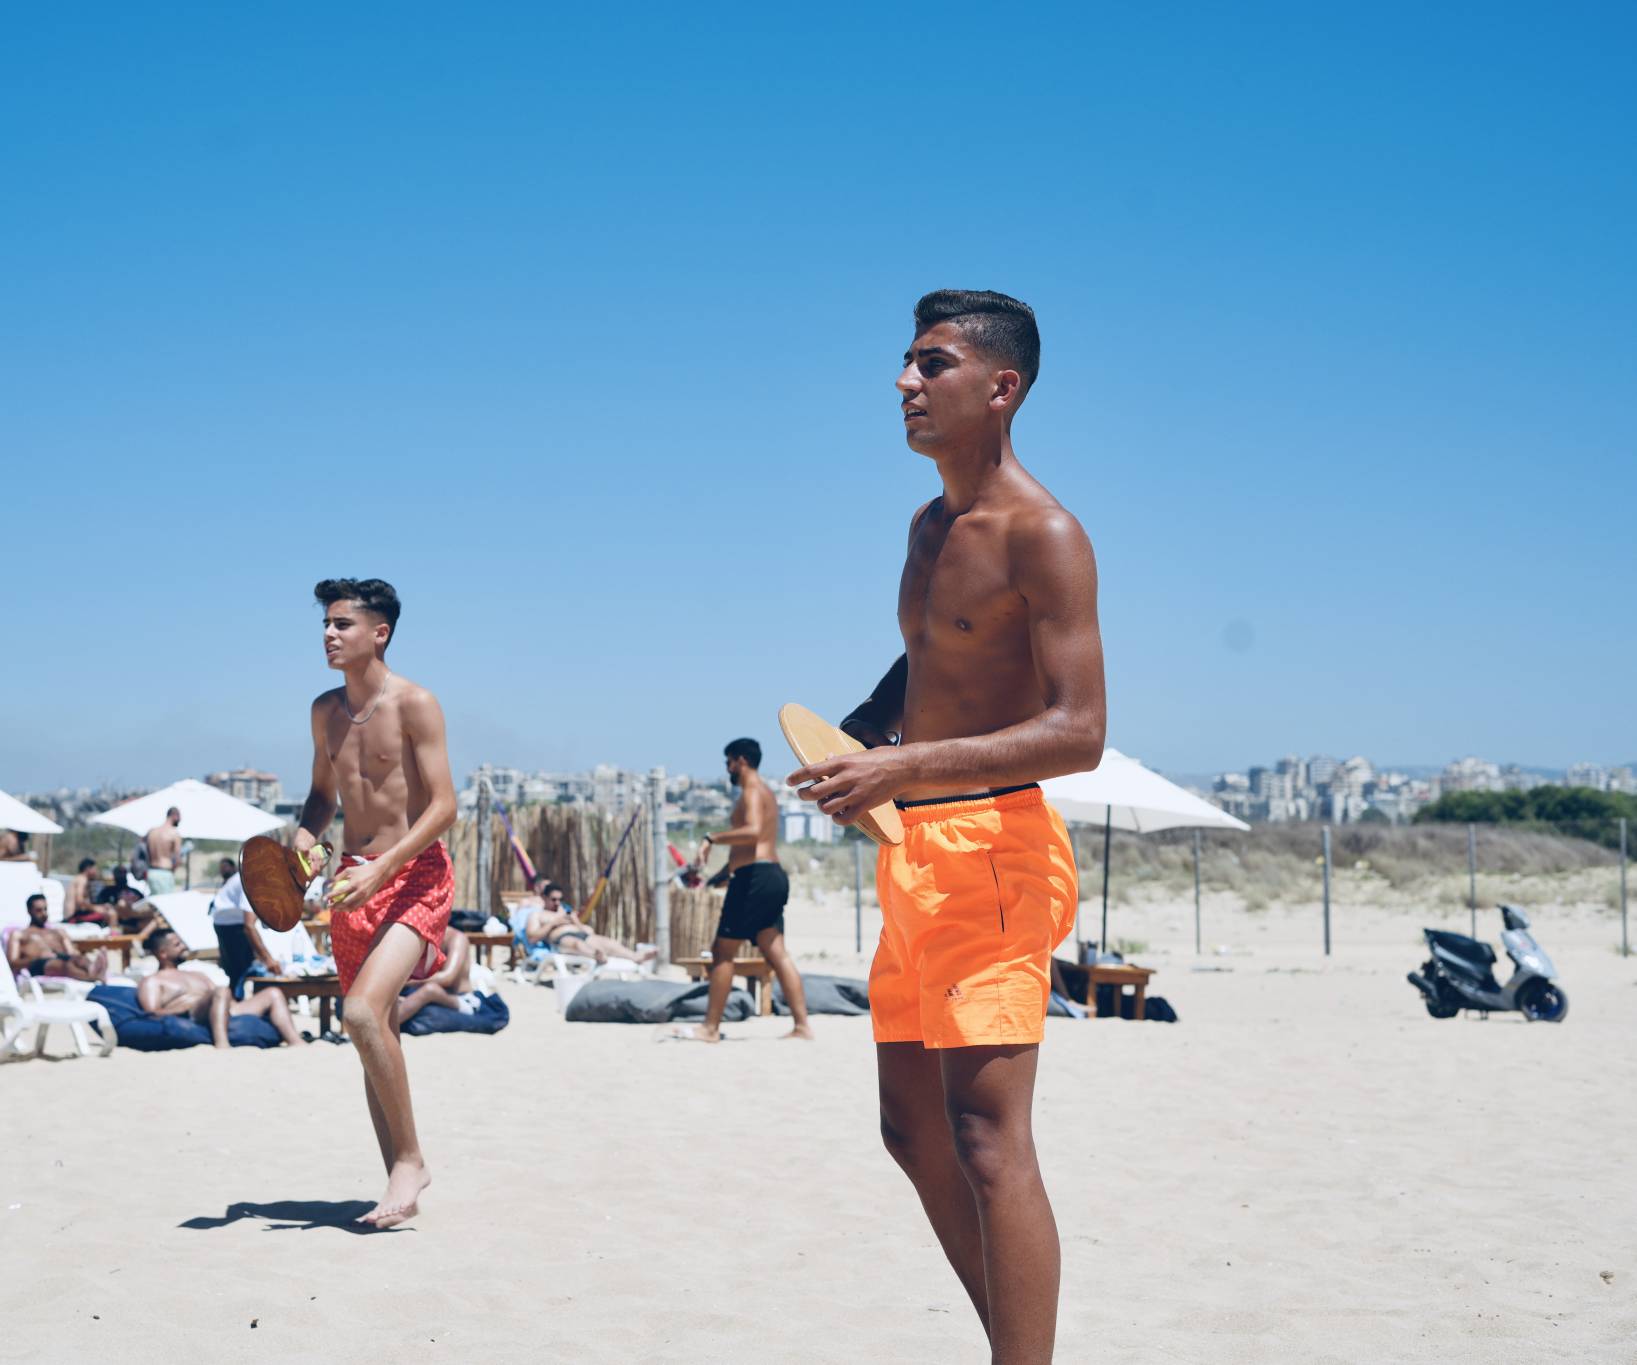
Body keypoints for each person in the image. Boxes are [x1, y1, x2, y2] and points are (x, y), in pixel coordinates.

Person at [787, 290, 1105, 1364]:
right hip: (912, 853)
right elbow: (929, 659)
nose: (903, 383)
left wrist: (908, 764)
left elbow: (1079, 731)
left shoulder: (1044, 533)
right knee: (911, 1131)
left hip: (997, 849)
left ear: (999, 387)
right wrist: (867, 737)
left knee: (985, 1137)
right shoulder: (927, 527)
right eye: (906, 363)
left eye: (931, 364)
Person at [293, 577, 456, 1228]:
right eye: (326, 624)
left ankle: (411, 1158)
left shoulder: (416, 703)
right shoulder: (323, 710)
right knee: (372, 1032)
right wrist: (304, 844)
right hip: (350, 881)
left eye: (343, 624)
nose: (329, 634)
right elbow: (320, 798)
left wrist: (384, 865)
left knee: (360, 1012)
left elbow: (444, 805)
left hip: (413, 874)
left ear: (379, 632)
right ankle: (399, 1179)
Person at [676, 737, 812, 1042]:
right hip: (770, 875)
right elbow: (757, 840)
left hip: (755, 879)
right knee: (776, 953)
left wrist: (710, 838)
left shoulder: (751, 789)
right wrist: (724, 873)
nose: (727, 768)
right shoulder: (766, 792)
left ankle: (710, 1028)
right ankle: (802, 1025)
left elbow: (751, 833)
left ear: (741, 760)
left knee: (722, 951)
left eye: (728, 762)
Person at [136, 928, 307, 1047]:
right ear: (162, 953)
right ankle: (222, 1043)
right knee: (221, 991)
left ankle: (295, 1041)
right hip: (195, 1013)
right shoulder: (153, 981)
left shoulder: (197, 974)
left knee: (273, 993)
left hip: (227, 1009)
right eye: (176, 944)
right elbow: (151, 1012)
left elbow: (223, 997)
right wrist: (181, 1008)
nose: (183, 946)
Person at [524, 880, 656, 964]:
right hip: (561, 939)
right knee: (578, 944)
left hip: (582, 935)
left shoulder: (565, 911)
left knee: (609, 942)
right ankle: (596, 955)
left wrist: (576, 922)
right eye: (553, 899)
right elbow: (531, 938)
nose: (557, 903)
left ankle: (635, 957)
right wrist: (553, 923)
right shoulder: (537, 915)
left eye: (560, 899)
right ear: (544, 897)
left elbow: (587, 930)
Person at [210, 857, 283, 998]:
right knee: (240, 971)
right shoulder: (253, 882)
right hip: (229, 924)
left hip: (226, 920)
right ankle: (235, 1005)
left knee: (240, 969)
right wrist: (267, 959)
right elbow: (249, 926)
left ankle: (236, 1002)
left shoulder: (252, 876)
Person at [6, 894, 108, 981]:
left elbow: (72, 952)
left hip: (61, 957)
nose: (44, 914)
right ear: (29, 911)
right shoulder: (19, 934)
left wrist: (78, 957)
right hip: (37, 964)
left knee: (79, 959)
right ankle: (92, 977)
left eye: (45, 909)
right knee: (64, 965)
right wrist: (37, 957)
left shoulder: (58, 932)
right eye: (39, 910)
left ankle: (94, 970)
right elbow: (12, 963)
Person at [394, 926, 480, 1025]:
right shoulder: (426, 936)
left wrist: (406, 982)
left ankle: (388, 1024)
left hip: (459, 998)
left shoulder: (457, 938)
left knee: (430, 990)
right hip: (437, 995)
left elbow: (448, 978)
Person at [143, 807, 182, 895]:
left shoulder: (152, 832)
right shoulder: (174, 833)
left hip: (151, 872)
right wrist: (172, 870)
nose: (179, 821)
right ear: (174, 816)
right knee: (165, 905)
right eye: (179, 818)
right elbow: (178, 859)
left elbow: (146, 852)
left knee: (155, 905)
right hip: (165, 872)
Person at [65, 858, 110, 925]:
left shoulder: (78, 878)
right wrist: (95, 908)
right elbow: (79, 900)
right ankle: (114, 934)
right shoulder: (82, 879)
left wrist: (100, 906)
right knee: (108, 915)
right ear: (88, 869)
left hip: (74, 916)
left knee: (104, 911)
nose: (96, 871)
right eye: (94, 869)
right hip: (73, 918)